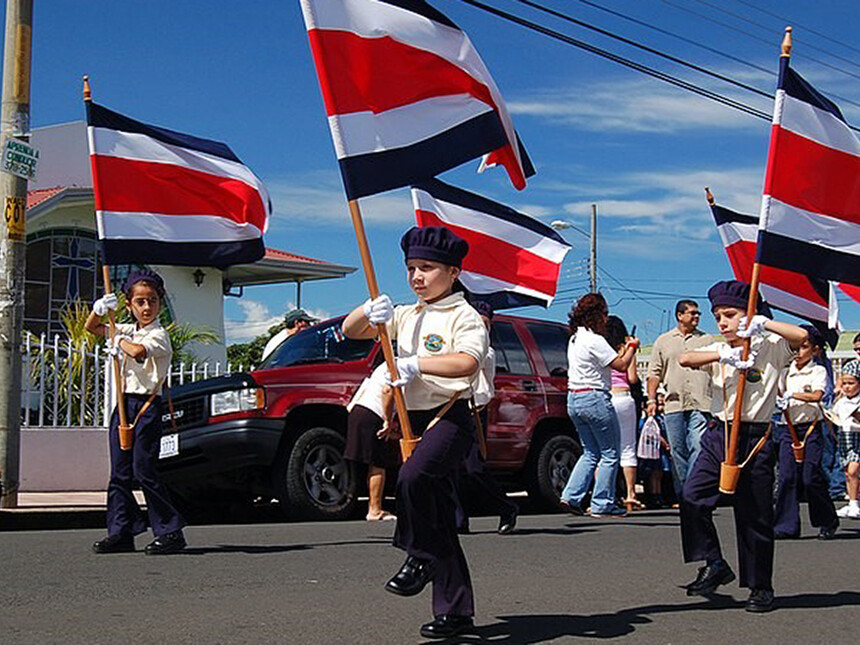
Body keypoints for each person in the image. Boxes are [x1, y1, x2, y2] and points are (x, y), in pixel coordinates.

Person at [341, 226, 488, 640]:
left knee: (412, 478)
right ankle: (456, 612)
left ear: (454, 272)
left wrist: (416, 365)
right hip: (410, 419)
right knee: (438, 516)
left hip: (451, 414)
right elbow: (352, 332)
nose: (417, 277)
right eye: (410, 268)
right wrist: (368, 311)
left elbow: (466, 364)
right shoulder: (405, 314)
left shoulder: (465, 316)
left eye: (427, 268)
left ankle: (418, 555)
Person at [677, 280, 807, 613]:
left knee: (755, 515)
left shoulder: (771, 345)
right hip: (719, 433)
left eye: (730, 315)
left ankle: (760, 586)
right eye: (718, 315)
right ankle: (713, 561)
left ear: (747, 315)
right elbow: (686, 359)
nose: (722, 322)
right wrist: (724, 353)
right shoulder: (719, 348)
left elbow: (801, 337)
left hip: (755, 436)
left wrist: (764, 323)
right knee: (692, 496)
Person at [85, 269, 187, 555]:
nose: (146, 307)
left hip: (146, 407)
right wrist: (99, 310)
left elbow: (140, 352)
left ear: (160, 303)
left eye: (152, 301)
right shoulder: (127, 329)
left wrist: (118, 342)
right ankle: (121, 531)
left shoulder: (159, 335)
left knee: (144, 469)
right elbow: (92, 328)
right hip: (123, 406)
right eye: (140, 302)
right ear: (129, 305)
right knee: (119, 473)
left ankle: (170, 531)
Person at [559, 293, 639, 518]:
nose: (606, 319)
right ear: (596, 316)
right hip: (595, 397)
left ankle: (571, 496)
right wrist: (632, 346)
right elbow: (621, 365)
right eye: (604, 314)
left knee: (590, 451)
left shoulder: (575, 338)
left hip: (574, 398)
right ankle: (602, 503)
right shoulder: (595, 340)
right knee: (610, 452)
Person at [453, 300, 518, 536]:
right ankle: (458, 519)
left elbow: (467, 366)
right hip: (451, 408)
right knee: (452, 467)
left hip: (475, 410)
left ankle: (507, 507)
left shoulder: (485, 351)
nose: (479, 328)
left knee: (473, 468)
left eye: (483, 324)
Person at [772, 325, 839, 540]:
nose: (798, 352)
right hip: (787, 428)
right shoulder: (784, 371)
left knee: (811, 477)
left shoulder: (817, 370)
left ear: (815, 350)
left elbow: (817, 395)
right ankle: (785, 525)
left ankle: (827, 520)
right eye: (795, 347)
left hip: (810, 427)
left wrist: (794, 395)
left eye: (804, 347)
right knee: (786, 477)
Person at [647, 300, 713, 496]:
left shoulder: (707, 340)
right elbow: (654, 373)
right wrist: (651, 399)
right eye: (692, 313)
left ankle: (693, 490)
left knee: (698, 445)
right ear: (679, 315)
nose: (696, 317)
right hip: (674, 403)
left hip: (701, 402)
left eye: (698, 313)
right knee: (677, 450)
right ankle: (683, 491)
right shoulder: (663, 341)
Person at [345, 363, 400, 521]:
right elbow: (387, 391)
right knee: (378, 462)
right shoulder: (399, 365)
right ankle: (374, 509)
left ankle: (369, 505)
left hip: (359, 409)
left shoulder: (385, 365)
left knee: (365, 460)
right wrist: (388, 422)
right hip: (374, 413)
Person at [606, 315, 642, 511]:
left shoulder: (601, 347)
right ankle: (631, 494)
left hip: (606, 398)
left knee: (605, 449)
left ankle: (606, 493)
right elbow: (633, 377)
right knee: (628, 448)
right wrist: (631, 349)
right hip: (624, 397)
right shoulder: (626, 348)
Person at [828, 360, 860, 519]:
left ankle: (854, 503)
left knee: (854, 470)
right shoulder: (841, 401)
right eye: (844, 383)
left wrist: (854, 414)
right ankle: (852, 501)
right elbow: (834, 416)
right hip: (844, 436)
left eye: (851, 383)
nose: (847, 386)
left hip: (857, 436)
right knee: (848, 472)